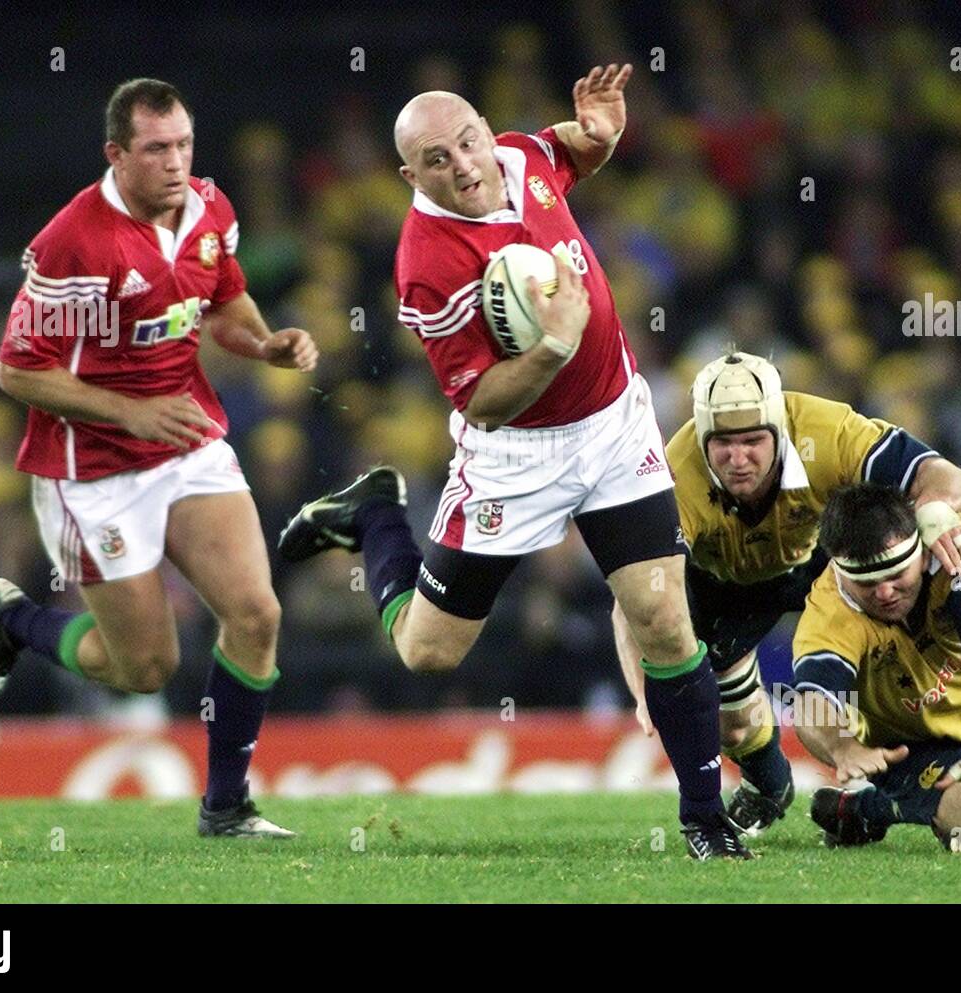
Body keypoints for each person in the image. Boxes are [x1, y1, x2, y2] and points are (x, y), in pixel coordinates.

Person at [280, 65, 749, 858]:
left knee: (665, 619)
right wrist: (558, 341)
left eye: (467, 140)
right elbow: (480, 402)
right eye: (437, 159)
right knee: (429, 650)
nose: (464, 164)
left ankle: (707, 819)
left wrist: (600, 133)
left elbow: (568, 151)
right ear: (410, 176)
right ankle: (373, 514)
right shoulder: (426, 263)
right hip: (515, 455)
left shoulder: (516, 159)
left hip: (611, 425)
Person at [0, 78, 319, 838]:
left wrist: (265, 341)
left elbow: (224, 299)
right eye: (157, 148)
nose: (177, 161)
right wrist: (131, 411)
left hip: (184, 445)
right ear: (117, 155)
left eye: (184, 143)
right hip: (91, 471)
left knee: (256, 613)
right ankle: (15, 620)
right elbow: (17, 369)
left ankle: (226, 806)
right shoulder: (74, 242)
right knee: (142, 669)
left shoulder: (210, 209)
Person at [614, 351, 961, 838]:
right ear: (701, 438)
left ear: (780, 428)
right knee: (734, 728)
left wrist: (932, 517)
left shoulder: (828, 433)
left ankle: (920, 777)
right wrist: (643, 692)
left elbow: (946, 478)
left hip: (830, 556)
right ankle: (770, 784)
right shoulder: (673, 476)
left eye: (753, 440)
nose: (739, 459)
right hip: (726, 586)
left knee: (901, 604)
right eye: (722, 443)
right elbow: (635, 599)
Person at [792, 482, 961, 854]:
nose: (884, 592)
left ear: (920, 549)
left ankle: (865, 811)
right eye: (866, 582)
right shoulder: (828, 613)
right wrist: (842, 747)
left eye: (896, 574)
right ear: (840, 568)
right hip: (911, 746)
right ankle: (883, 803)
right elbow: (811, 705)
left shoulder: (956, 544)